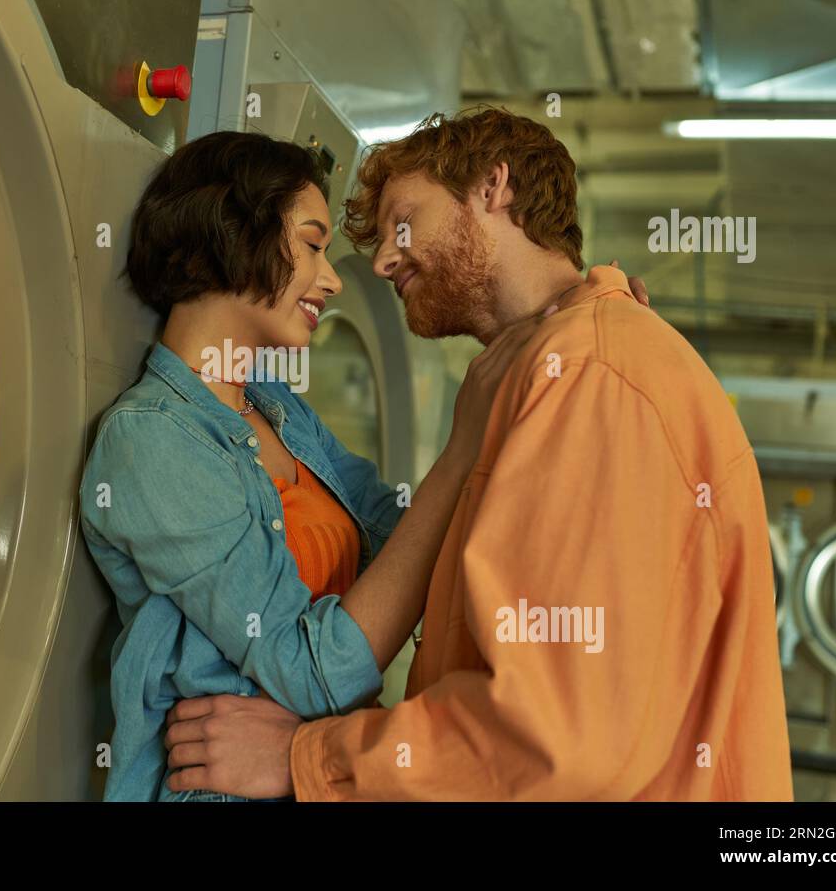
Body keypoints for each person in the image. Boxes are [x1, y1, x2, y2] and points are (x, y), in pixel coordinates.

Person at [163, 107, 793, 801]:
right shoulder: (573, 367)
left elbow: (551, 737)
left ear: (493, 188)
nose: (379, 261)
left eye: (403, 222)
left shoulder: (589, 375)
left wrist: (304, 758)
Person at [79, 129, 553, 801]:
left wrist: (553, 349)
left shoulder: (276, 411)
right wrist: (461, 449)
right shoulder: (149, 442)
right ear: (231, 231)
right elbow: (310, 671)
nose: (331, 278)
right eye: (310, 244)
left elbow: (408, 540)